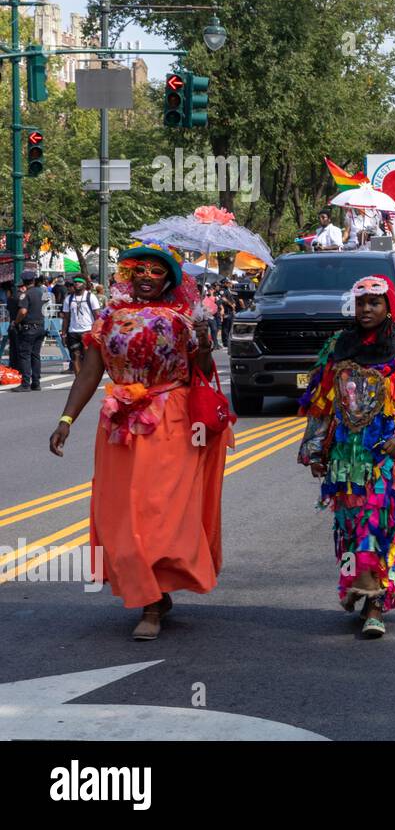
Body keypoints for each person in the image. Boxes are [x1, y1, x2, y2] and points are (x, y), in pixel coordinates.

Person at [48, 241, 231, 640]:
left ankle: (151, 601)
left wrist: (202, 340)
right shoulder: (109, 317)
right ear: (128, 275)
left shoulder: (185, 318)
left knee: (159, 511)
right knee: (120, 516)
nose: (147, 277)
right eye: (140, 270)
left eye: (157, 271)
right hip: (119, 424)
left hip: (172, 420)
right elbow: (90, 372)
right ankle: (150, 589)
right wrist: (66, 419)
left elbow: (200, 371)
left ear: (169, 279)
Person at [298, 274, 395, 639]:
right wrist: (316, 449)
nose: (366, 309)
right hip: (345, 456)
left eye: (374, 303)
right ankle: (354, 586)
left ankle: (376, 602)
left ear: (389, 307)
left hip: (384, 457)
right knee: (350, 527)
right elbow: (320, 405)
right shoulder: (337, 348)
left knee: (379, 526)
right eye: (361, 303)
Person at [11, 270, 47, 391]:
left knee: (25, 355)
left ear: (24, 281)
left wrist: (16, 322)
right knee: (35, 355)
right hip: (41, 326)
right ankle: (36, 382)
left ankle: (26, 383)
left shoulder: (26, 294)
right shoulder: (43, 292)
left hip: (29, 327)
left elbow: (23, 311)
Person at [61, 276, 100, 377]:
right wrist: (64, 334)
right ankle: (79, 378)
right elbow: (66, 318)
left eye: (79, 282)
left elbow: (97, 315)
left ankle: (87, 377)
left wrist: (98, 331)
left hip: (88, 331)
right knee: (75, 356)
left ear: (85, 285)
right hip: (73, 332)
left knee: (87, 357)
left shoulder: (91, 297)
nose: (76, 284)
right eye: (75, 282)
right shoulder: (69, 299)